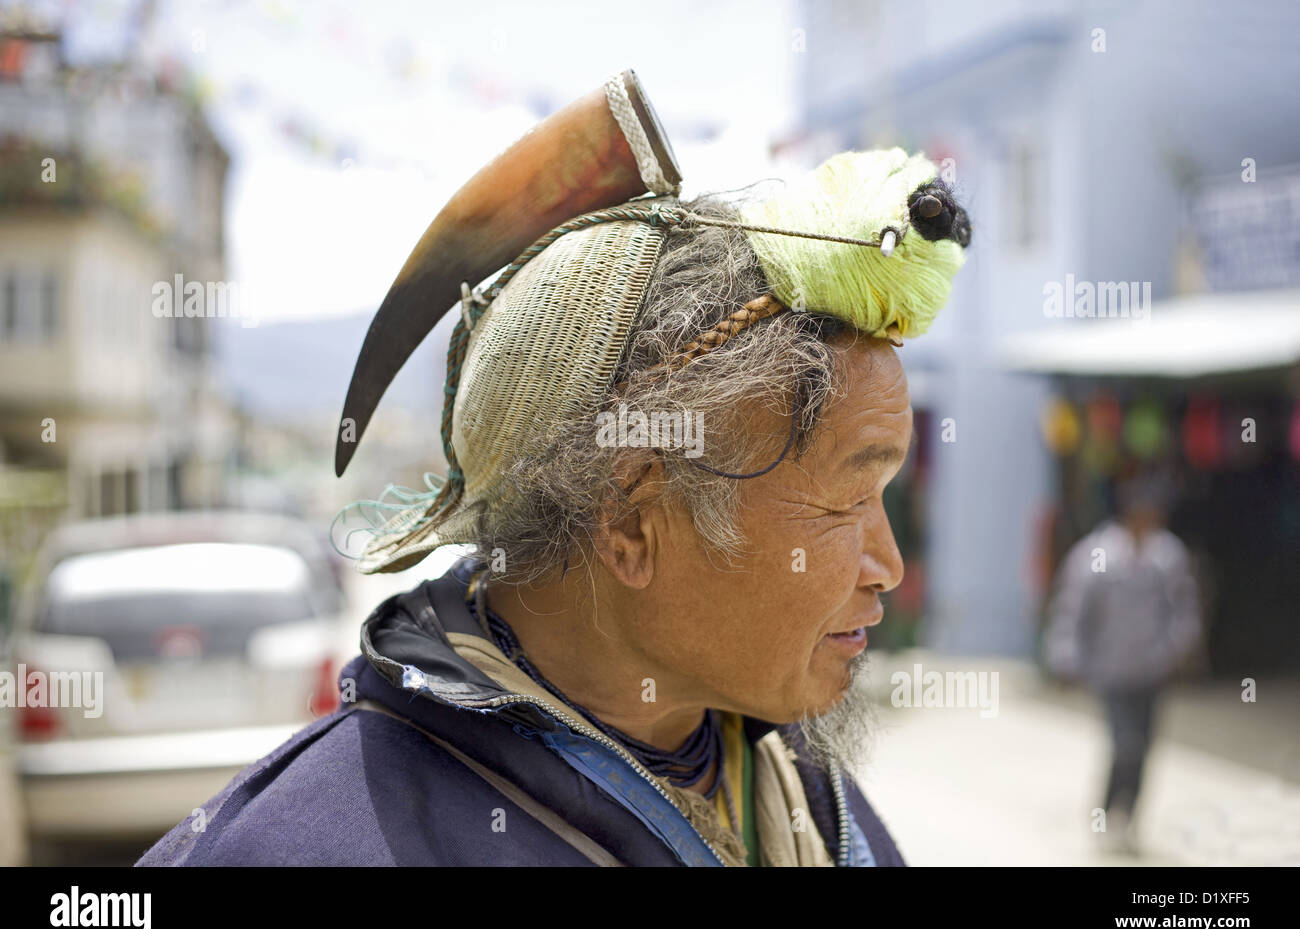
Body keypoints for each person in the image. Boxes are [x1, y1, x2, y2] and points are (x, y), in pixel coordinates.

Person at [138, 70, 972, 867]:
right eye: (847, 498)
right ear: (631, 521)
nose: (888, 566)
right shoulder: (313, 846)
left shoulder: (799, 794)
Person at [1044, 474, 1201, 854]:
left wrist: (1179, 648)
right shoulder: (1095, 555)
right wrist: (1065, 657)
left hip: (1151, 669)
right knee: (1123, 743)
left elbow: (1184, 608)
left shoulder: (1167, 554)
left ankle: (1129, 818)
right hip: (1110, 669)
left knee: (1145, 747)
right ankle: (1105, 812)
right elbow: (1072, 610)